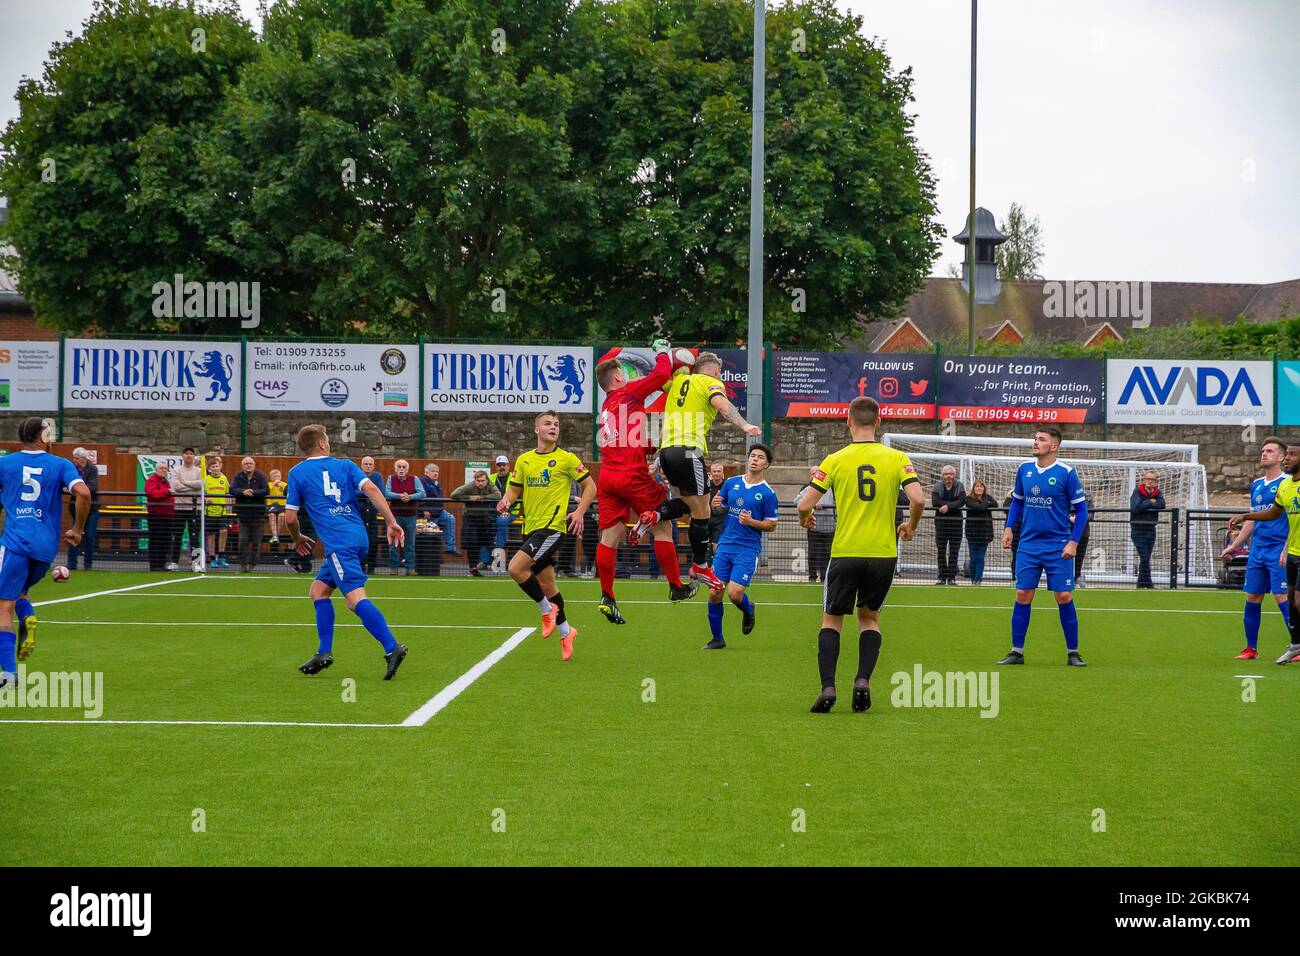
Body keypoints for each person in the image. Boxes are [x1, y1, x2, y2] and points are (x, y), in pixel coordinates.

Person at [797, 397, 925, 713]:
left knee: (832, 619)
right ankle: (862, 681)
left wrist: (805, 518)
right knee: (869, 619)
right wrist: (909, 525)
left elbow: (803, 504)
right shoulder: (897, 458)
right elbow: (919, 499)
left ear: (848, 421)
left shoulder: (835, 459)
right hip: (882, 553)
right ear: (878, 422)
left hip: (845, 551)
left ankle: (828, 688)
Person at [631, 351, 761, 591]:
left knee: (686, 502)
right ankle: (700, 565)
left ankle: (654, 516)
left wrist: (665, 353)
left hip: (666, 453)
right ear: (713, 370)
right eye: (719, 372)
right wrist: (745, 425)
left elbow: (660, 379)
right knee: (703, 512)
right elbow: (723, 406)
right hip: (689, 451)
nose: (720, 376)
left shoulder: (679, 381)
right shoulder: (711, 382)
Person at [287, 424, 408, 679]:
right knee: (318, 591)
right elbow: (373, 490)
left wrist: (297, 538)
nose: (329, 442)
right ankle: (323, 652)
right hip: (357, 538)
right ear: (321, 444)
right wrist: (390, 521)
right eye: (327, 439)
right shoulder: (346, 465)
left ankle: (392, 647)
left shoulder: (297, 473)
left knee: (354, 600)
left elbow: (289, 517)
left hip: (339, 544)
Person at [592, 340, 696, 625]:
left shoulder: (607, 405)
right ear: (616, 379)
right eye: (624, 372)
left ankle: (607, 596)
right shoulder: (626, 392)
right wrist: (663, 351)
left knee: (609, 538)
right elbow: (661, 375)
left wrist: (650, 447)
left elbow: (626, 438)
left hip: (608, 477)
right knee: (664, 524)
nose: (627, 375)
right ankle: (676, 586)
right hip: (631, 475)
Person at [496, 410, 596, 661]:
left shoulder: (567, 459)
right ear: (536, 430)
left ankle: (546, 610)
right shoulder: (524, 460)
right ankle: (566, 631)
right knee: (548, 585)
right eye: (548, 424)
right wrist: (505, 501)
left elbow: (590, 486)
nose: (553, 427)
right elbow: (514, 491)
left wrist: (580, 512)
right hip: (530, 528)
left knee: (515, 569)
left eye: (556, 424)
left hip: (553, 528)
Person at [0, 417, 91, 683]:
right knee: (20, 592)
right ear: (46, 437)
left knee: (3, 606)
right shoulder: (61, 464)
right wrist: (77, 529)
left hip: (16, 542)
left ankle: (8, 673)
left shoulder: (5, 463)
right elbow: (83, 494)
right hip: (46, 548)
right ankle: (28, 615)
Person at [997, 426, 1089, 667]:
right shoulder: (1024, 470)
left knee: (1064, 595)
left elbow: (1081, 510)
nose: (1035, 442)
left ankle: (1073, 653)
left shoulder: (1066, 473)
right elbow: (1017, 502)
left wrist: (1073, 541)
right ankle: (1016, 652)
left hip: (1058, 545)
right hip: (1028, 544)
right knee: (1023, 594)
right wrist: (1008, 527)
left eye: (1041, 439)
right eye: (1035, 438)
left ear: (1054, 446)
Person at [1227, 444, 1300, 666]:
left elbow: (1290, 521)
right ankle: (1252, 648)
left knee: (1287, 599)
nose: (1264, 454)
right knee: (1253, 596)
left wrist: (1285, 547)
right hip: (1260, 550)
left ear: (1279, 457)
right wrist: (1236, 544)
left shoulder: (1284, 482)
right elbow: (1260, 517)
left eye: (1270, 451)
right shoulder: (1259, 485)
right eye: (1262, 451)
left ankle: (1295, 646)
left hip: (1281, 549)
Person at [703, 444, 779, 649]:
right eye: (752, 455)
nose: (754, 459)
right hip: (726, 544)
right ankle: (717, 639)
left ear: (766, 464)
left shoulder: (768, 493)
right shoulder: (731, 483)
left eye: (760, 457)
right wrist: (715, 505)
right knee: (714, 592)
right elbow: (721, 507)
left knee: (734, 594)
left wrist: (752, 522)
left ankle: (748, 609)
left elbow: (771, 524)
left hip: (747, 549)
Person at [451, 470, 502, 574]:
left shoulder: (491, 486)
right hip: (470, 518)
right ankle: (473, 567)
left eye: (482, 481)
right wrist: (468, 498)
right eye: (478, 481)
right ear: (475, 480)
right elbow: (454, 495)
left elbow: (498, 495)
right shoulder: (469, 486)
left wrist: (481, 498)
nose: (480, 483)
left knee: (488, 542)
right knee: (472, 543)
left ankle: (495, 565)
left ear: (487, 480)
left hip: (484, 518)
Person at [384, 459, 425, 575]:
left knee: (410, 542)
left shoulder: (415, 479)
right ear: (395, 469)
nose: (401, 469)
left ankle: (410, 568)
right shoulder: (391, 478)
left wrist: (410, 497)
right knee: (393, 542)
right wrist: (399, 496)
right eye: (399, 467)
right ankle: (393, 568)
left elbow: (422, 493)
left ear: (407, 469)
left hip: (411, 515)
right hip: (395, 516)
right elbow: (386, 493)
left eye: (404, 467)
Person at [231, 456, 270, 573]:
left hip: (258, 515)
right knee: (243, 541)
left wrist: (253, 493)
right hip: (243, 515)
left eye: (250, 463)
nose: (248, 465)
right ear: (242, 465)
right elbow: (232, 489)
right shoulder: (238, 476)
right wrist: (243, 492)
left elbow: (266, 490)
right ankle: (243, 565)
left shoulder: (261, 476)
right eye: (246, 463)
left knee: (256, 542)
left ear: (254, 465)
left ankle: (252, 565)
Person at [797, 466, 835, 582]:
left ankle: (825, 577)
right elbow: (797, 501)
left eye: (817, 473)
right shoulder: (807, 488)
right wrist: (812, 504)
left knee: (827, 554)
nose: (815, 475)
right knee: (813, 553)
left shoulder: (832, 487)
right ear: (810, 475)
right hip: (813, 527)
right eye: (813, 473)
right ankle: (812, 577)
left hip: (829, 527)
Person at [1130, 469, 1165, 589]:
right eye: (1148, 479)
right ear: (1144, 480)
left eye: (1152, 479)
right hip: (1138, 530)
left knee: (1146, 558)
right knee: (1144, 557)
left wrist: (1147, 503)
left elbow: (1161, 504)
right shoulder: (1137, 492)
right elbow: (1136, 507)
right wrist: (1150, 501)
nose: (1150, 482)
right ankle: (1146, 583)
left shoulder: (1158, 492)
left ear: (1156, 481)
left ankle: (1142, 583)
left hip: (1151, 530)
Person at [169, 447, 204, 566]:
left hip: (195, 508)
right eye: (186, 453)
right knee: (177, 536)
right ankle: (174, 562)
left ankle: (196, 563)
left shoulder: (199, 471)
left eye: (191, 454)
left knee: (194, 537)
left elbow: (201, 485)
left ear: (194, 456)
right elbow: (176, 486)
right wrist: (192, 487)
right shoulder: (176, 470)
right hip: (179, 508)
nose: (189, 456)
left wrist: (185, 483)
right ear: (182, 456)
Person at [66, 447, 99, 570]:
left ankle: (88, 564)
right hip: (76, 509)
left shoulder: (92, 469)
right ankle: (71, 563)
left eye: (76, 458)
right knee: (73, 534)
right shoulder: (72, 469)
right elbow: (66, 485)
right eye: (73, 458)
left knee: (90, 536)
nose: (74, 460)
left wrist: (77, 490)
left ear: (84, 459)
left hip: (92, 509)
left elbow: (92, 487)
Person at [931, 465, 965, 585]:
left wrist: (947, 506)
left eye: (950, 474)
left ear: (954, 475)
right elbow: (935, 502)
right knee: (941, 551)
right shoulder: (937, 486)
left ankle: (951, 578)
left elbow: (961, 501)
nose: (948, 476)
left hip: (956, 525)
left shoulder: (959, 486)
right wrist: (951, 505)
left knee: (954, 552)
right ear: (942, 475)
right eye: (946, 474)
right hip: (941, 524)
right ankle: (941, 577)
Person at [419, 463, 459, 555]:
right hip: (427, 513)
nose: (436, 473)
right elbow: (419, 496)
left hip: (438, 511)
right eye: (433, 471)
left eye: (437, 471)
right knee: (429, 535)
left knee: (450, 518)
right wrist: (423, 509)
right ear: (426, 472)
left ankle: (450, 547)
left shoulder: (436, 483)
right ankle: (427, 557)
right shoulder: (422, 481)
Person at [144, 462, 177, 571]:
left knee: (166, 541)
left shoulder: (166, 482)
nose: (164, 470)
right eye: (161, 468)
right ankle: (154, 565)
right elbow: (153, 494)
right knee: (156, 540)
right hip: (156, 516)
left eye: (165, 468)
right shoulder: (152, 481)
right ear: (156, 470)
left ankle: (161, 564)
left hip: (168, 516)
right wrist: (167, 491)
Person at [963, 479, 996, 586]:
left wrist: (986, 503)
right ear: (973, 488)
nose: (979, 488)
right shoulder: (968, 499)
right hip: (972, 533)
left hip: (985, 534)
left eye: (981, 486)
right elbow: (979, 507)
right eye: (977, 486)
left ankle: (978, 579)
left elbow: (995, 504)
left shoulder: (987, 497)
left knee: (980, 557)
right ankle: (973, 579)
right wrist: (986, 504)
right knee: (973, 558)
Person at [356, 455, 383, 573]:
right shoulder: (355, 475)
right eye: (366, 464)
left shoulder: (377, 476)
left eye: (370, 464)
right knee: (358, 541)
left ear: (373, 466)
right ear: (361, 466)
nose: (368, 466)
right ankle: (359, 567)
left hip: (372, 514)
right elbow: (352, 491)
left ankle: (371, 568)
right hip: (358, 514)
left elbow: (380, 491)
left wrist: (366, 492)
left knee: (373, 540)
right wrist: (369, 492)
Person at [204, 456, 231, 568]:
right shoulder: (206, 479)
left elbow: (228, 492)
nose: (215, 468)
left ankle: (221, 556)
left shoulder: (224, 479)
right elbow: (202, 494)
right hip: (210, 512)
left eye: (217, 466)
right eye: (213, 466)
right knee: (211, 535)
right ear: (209, 469)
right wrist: (205, 499)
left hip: (222, 511)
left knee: (224, 531)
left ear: (220, 467)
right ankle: (212, 558)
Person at [492, 454, 514, 553]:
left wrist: (506, 510)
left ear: (508, 466)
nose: (502, 467)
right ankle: (484, 560)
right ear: (496, 467)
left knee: (502, 520)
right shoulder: (490, 478)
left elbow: (518, 495)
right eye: (499, 465)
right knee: (483, 523)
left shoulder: (515, 478)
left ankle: (498, 552)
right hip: (493, 511)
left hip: (511, 511)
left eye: (504, 465)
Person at [706, 462, 728, 555]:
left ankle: (716, 567)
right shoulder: (706, 486)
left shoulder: (727, 486)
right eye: (714, 471)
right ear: (711, 473)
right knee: (702, 546)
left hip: (720, 520)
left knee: (717, 546)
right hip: (706, 518)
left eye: (719, 471)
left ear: (722, 473)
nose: (716, 473)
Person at [266, 469, 287, 546]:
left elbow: (286, 492)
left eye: (278, 476)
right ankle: (275, 536)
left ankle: (276, 536)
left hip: (282, 505)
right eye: (274, 476)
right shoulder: (269, 484)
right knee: (272, 515)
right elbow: (267, 491)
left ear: (280, 477)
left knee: (282, 516)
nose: (276, 478)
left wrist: (280, 486)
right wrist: (274, 484)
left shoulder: (284, 484)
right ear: (271, 478)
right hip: (271, 505)